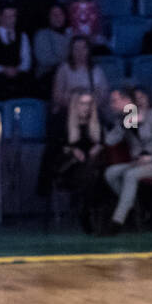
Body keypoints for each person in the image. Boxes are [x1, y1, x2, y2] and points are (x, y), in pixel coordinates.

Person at [100, 87, 152, 234]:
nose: (111, 104)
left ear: (127, 100)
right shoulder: (123, 119)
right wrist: (123, 125)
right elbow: (109, 141)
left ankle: (117, 222)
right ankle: (135, 207)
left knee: (130, 175)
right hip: (139, 162)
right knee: (111, 173)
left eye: (115, 101)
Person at [38, 87, 107, 232]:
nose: (86, 107)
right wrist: (71, 150)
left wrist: (99, 146)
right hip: (66, 169)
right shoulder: (61, 120)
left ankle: (87, 210)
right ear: (75, 104)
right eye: (82, 103)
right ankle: (88, 211)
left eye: (89, 104)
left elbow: (107, 140)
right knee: (89, 173)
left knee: (94, 171)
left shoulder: (97, 121)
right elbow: (53, 147)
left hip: (89, 169)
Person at [52, 35, 108, 115]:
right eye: (76, 49)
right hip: (68, 110)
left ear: (88, 50)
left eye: (83, 48)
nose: (80, 52)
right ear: (71, 51)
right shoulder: (63, 69)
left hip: (91, 110)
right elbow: (57, 96)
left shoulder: (97, 70)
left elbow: (103, 95)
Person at [33, 4, 71, 93]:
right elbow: (44, 59)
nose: (57, 17)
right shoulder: (42, 35)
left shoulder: (70, 35)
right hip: (48, 75)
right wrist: (68, 61)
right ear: (48, 17)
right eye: (54, 15)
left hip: (70, 72)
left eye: (60, 14)